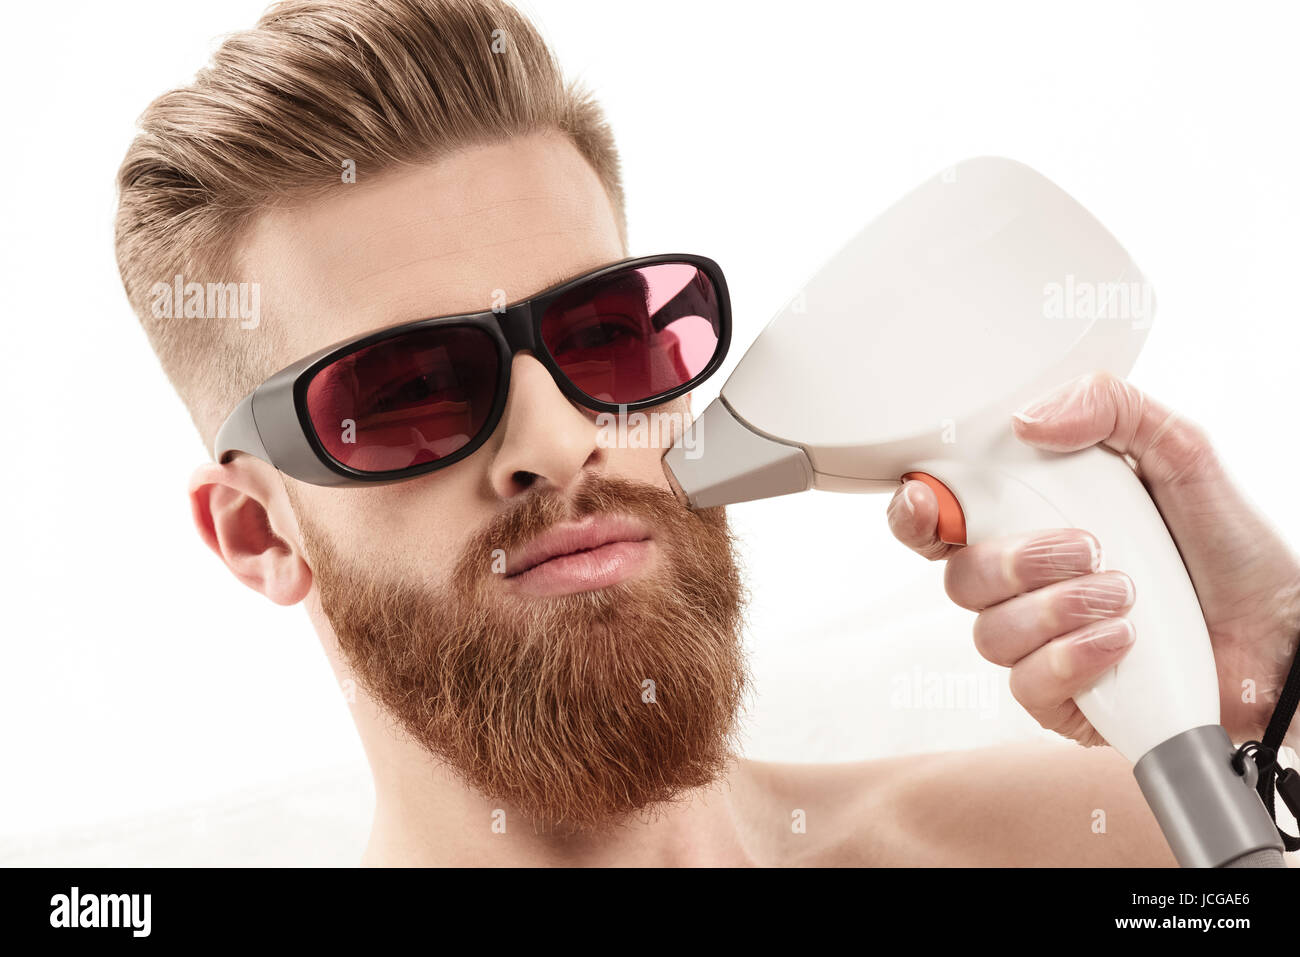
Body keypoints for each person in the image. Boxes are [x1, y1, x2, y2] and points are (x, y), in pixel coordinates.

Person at [114, 0, 1298, 865]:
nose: (561, 437)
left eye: (598, 333)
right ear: (256, 531)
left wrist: (1276, 689)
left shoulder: (1131, 847)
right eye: (409, 388)